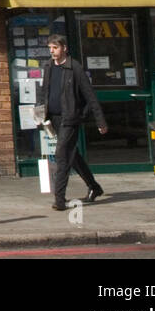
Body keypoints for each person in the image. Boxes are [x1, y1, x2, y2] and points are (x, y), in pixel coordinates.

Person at [39, 35, 108, 211]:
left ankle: (59, 200)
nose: (52, 51)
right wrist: (40, 113)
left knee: (62, 155)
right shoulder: (48, 66)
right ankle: (94, 187)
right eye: (50, 48)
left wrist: (100, 121)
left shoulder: (74, 67)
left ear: (64, 48)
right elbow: (44, 91)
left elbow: (90, 96)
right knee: (71, 154)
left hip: (69, 118)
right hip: (52, 118)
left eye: (55, 48)